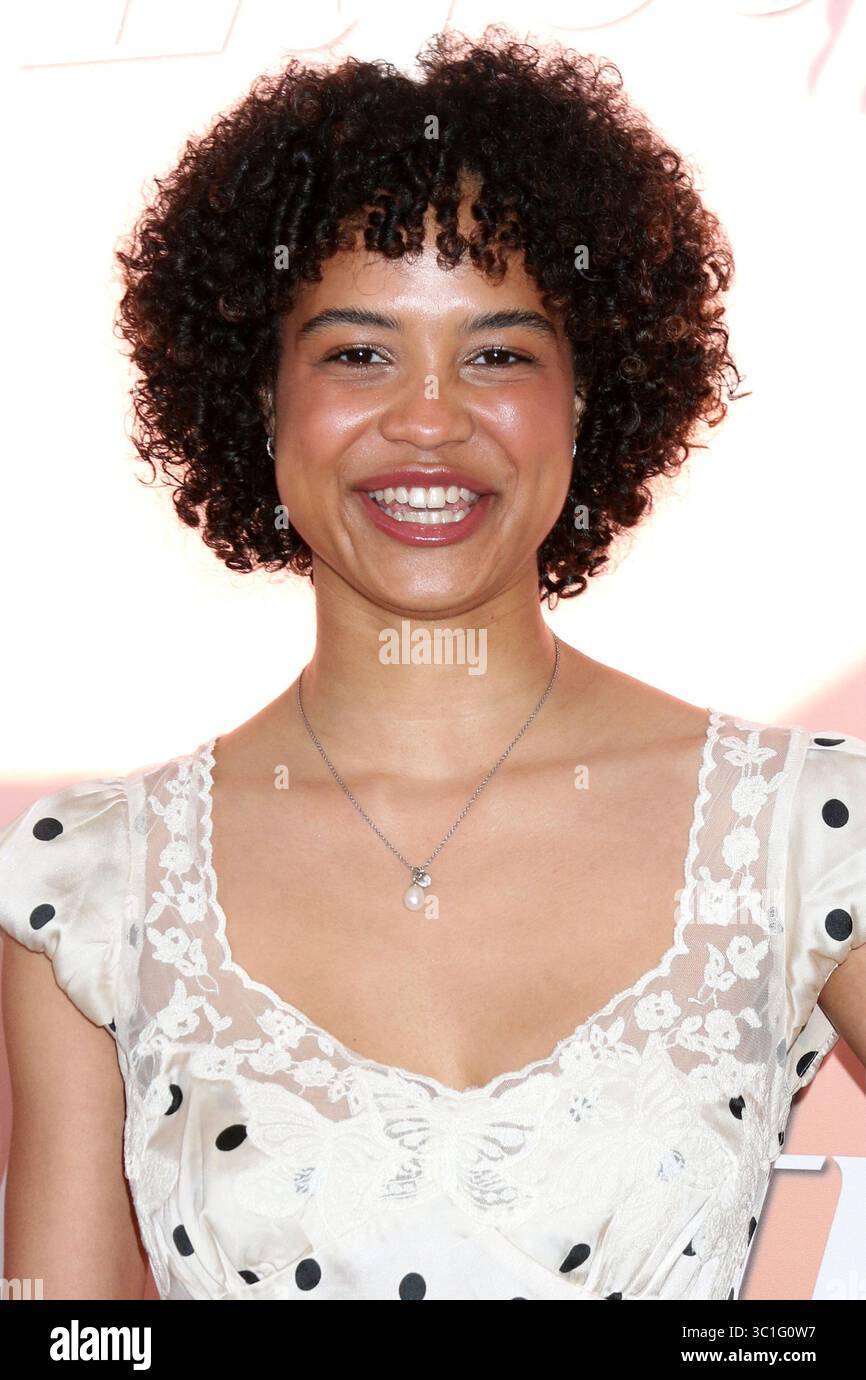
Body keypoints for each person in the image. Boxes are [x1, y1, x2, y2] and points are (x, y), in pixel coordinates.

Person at [1, 26, 863, 1303]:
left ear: (591, 400)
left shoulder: (805, 827)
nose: (428, 416)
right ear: (256, 403)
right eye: (358, 351)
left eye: (499, 352)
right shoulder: (91, 883)